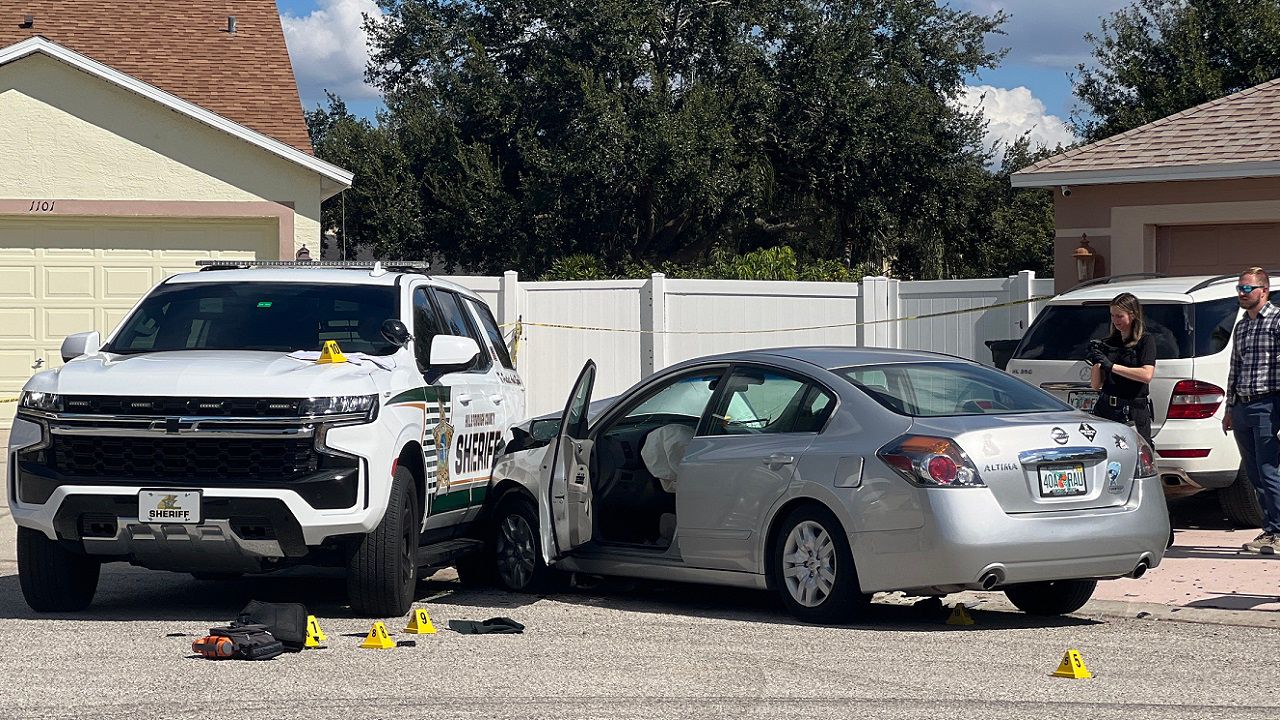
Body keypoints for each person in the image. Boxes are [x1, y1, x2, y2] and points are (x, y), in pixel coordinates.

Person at [1223, 267, 1280, 553]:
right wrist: (1230, 408)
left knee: (1270, 470)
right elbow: (1236, 366)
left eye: (1247, 289)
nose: (1241, 294)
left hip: (1269, 403)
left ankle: (1279, 531)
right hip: (1243, 405)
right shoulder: (1242, 325)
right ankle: (1269, 530)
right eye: (1239, 288)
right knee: (1255, 473)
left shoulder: (1277, 321)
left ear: (1263, 291)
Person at [1086, 292, 1156, 446]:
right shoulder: (1109, 342)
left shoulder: (1145, 341)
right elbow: (1096, 385)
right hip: (1106, 407)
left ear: (1132, 315)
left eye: (1119, 316)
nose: (1115, 321)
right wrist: (1097, 361)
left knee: (1135, 454)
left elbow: (1146, 374)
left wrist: (1111, 366)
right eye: (1112, 316)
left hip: (1132, 409)